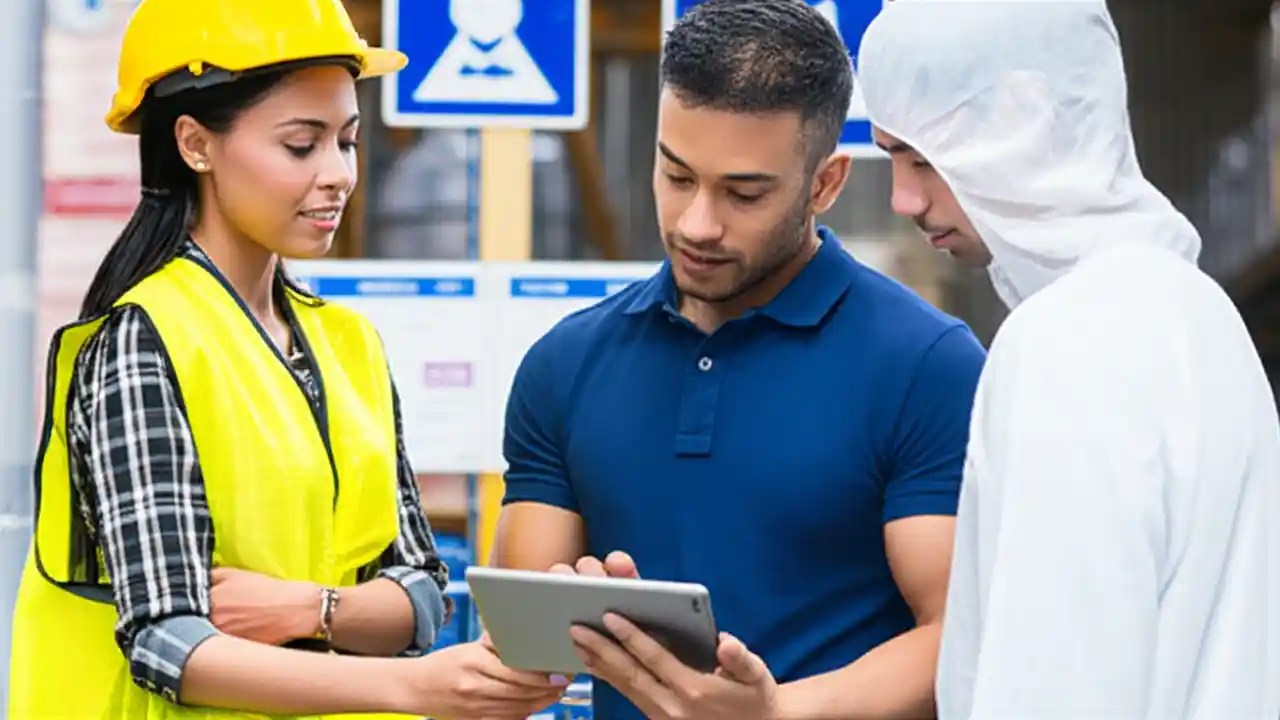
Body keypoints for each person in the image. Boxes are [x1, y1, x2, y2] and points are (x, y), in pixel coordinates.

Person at [8, 1, 568, 718]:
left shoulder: (349, 343)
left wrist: (311, 608)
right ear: (194, 143)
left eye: (349, 142)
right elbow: (168, 642)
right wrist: (405, 679)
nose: (338, 174)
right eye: (302, 146)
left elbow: (424, 593)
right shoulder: (140, 342)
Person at [490, 1, 987, 718]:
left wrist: (775, 713)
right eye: (677, 176)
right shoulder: (565, 363)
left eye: (743, 193)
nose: (697, 224)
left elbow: (955, 631)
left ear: (826, 184)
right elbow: (529, 636)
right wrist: (580, 602)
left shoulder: (927, 365)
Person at [856, 2, 1280, 718]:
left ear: (1023, 117)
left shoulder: (1068, 342)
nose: (903, 198)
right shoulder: (1200, 315)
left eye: (923, 158)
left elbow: (1055, 685)